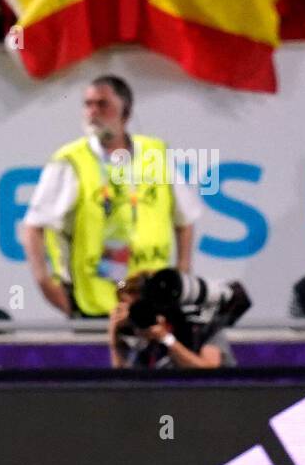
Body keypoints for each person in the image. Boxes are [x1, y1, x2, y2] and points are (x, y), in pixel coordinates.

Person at [22, 75, 203, 318]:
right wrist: (45, 282)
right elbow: (34, 227)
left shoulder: (156, 153)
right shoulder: (70, 160)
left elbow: (185, 219)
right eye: (88, 104)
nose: (92, 112)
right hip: (95, 302)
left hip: (154, 299)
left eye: (102, 104)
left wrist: (182, 274)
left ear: (125, 113)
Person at [108, 270, 239, 369]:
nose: (134, 315)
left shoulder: (200, 323)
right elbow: (124, 385)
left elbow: (209, 373)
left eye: (136, 309)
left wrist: (166, 339)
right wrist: (114, 340)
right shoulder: (142, 335)